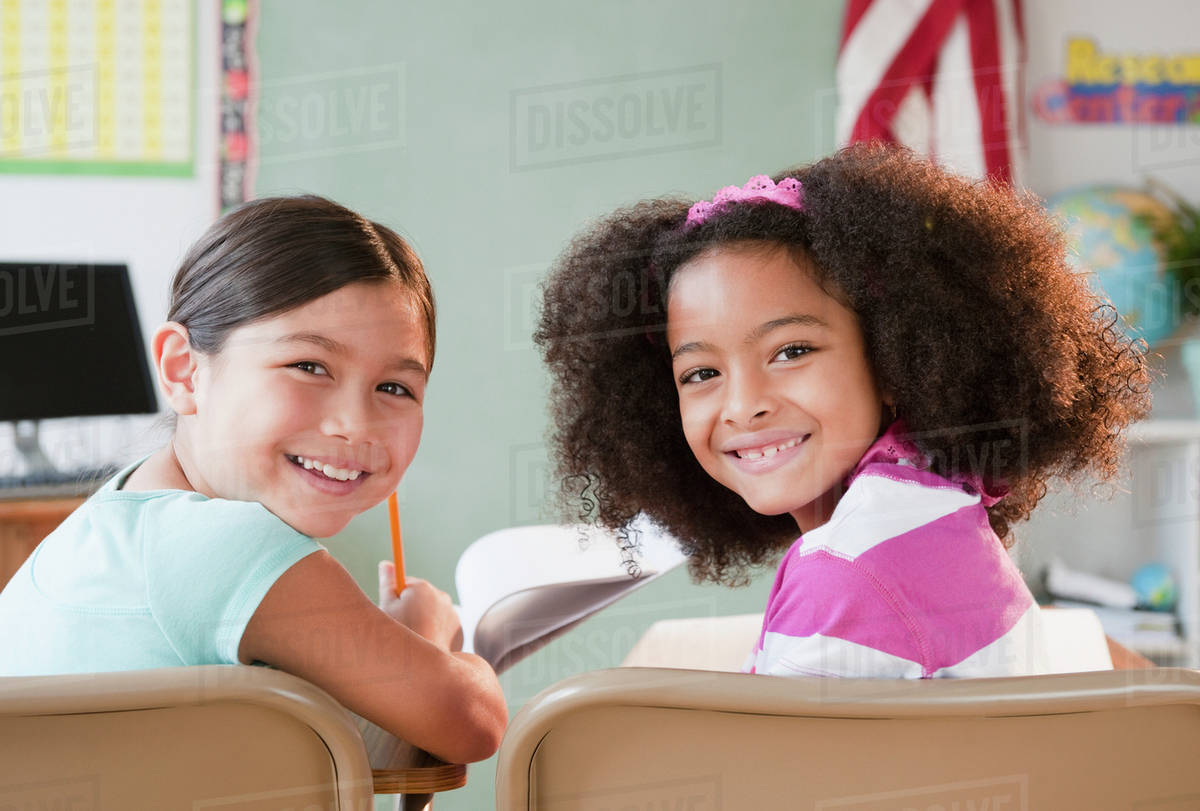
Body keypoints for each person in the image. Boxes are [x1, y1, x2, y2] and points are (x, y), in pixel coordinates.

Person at [534, 143, 1152, 679]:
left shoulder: (847, 569)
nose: (745, 405)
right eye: (701, 373)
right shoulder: (923, 503)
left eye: (792, 351)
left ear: (891, 358)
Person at [0, 196, 506, 763]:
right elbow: (470, 721)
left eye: (395, 388)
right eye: (309, 366)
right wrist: (426, 632)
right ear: (183, 369)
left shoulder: (123, 514)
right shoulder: (228, 545)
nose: (353, 425)